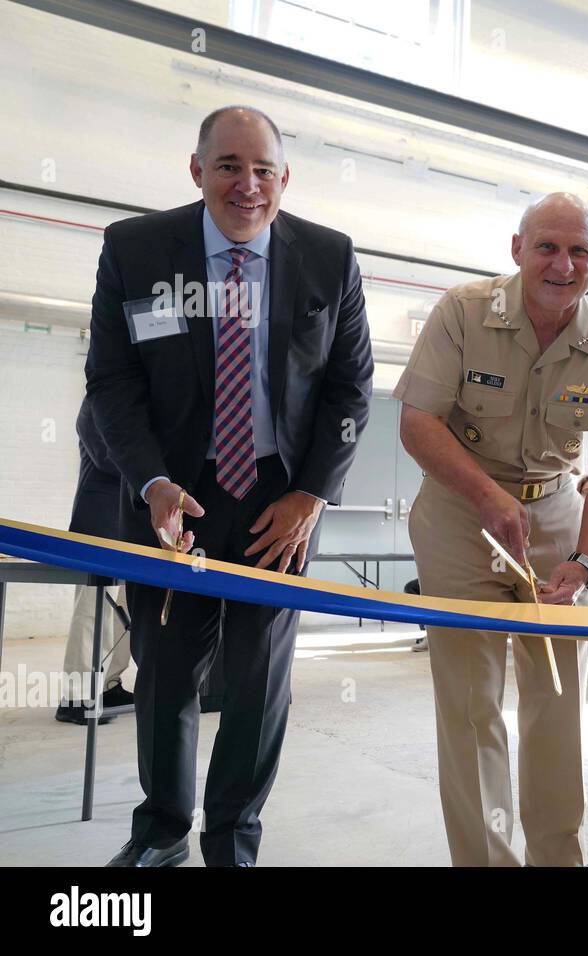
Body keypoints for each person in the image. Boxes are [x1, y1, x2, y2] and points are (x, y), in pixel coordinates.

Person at [86, 105, 374, 867]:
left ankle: (232, 841)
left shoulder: (328, 258)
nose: (247, 186)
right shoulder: (137, 249)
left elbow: (351, 388)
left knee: (258, 680)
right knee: (165, 675)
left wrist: (314, 493)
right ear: (196, 171)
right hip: (170, 503)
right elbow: (113, 383)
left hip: (278, 506)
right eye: (228, 167)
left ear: (285, 178)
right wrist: (150, 480)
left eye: (263, 170)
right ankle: (160, 834)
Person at [396, 192, 588, 867]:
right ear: (517, 249)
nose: (563, 265)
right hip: (457, 511)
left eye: (579, 252)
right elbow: (418, 422)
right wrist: (485, 495)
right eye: (547, 248)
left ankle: (556, 859)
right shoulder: (462, 313)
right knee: (472, 706)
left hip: (558, 512)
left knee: (557, 703)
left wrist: (587, 562)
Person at [57, 395, 132, 726]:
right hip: (98, 525)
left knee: (126, 612)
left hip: (134, 528)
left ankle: (109, 684)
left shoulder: (139, 407)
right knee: (93, 611)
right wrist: (155, 469)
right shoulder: (98, 402)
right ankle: (76, 697)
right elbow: (106, 457)